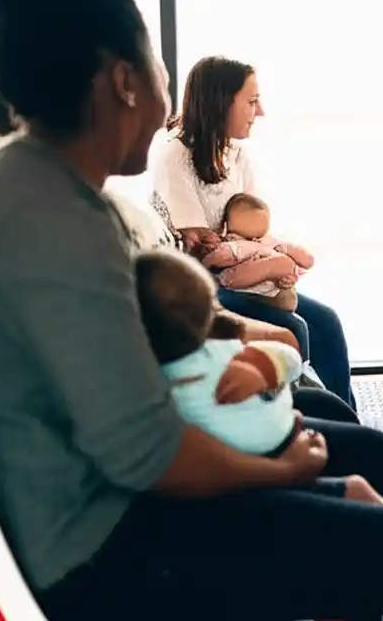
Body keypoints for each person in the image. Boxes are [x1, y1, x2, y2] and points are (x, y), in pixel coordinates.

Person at [0, 0, 383, 620]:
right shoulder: (54, 216)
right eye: (160, 65)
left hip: (84, 510)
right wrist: (283, 472)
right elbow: (150, 458)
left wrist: (298, 472)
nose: (165, 86)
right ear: (127, 80)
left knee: (366, 478)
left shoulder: (20, 185)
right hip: (99, 552)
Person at [0, 17, 358, 426]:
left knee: (322, 331)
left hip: (175, 398)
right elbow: (163, 333)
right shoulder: (76, 221)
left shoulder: (21, 200)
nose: (163, 95)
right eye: (143, 68)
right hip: (169, 422)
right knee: (358, 439)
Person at [151, 55, 356, 411]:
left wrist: (275, 260)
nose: (259, 112)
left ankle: (346, 420)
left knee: (327, 322)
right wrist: (263, 262)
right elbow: (203, 253)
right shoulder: (175, 156)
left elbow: (249, 230)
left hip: (238, 274)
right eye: (251, 100)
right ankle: (295, 424)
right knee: (294, 328)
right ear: (220, 101)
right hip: (201, 287)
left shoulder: (234, 152)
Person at [134, 249, 379, 503]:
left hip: (275, 435)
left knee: (360, 436)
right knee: (363, 480)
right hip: (255, 464)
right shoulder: (157, 385)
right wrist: (287, 467)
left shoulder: (218, 349)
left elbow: (288, 357)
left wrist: (263, 369)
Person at [198, 192, 313, 312]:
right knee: (281, 262)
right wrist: (204, 266)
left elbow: (214, 258)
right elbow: (218, 256)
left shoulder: (267, 241)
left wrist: (288, 279)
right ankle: (274, 267)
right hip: (246, 290)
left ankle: (279, 268)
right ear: (226, 225)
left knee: (286, 263)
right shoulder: (235, 244)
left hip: (276, 291)